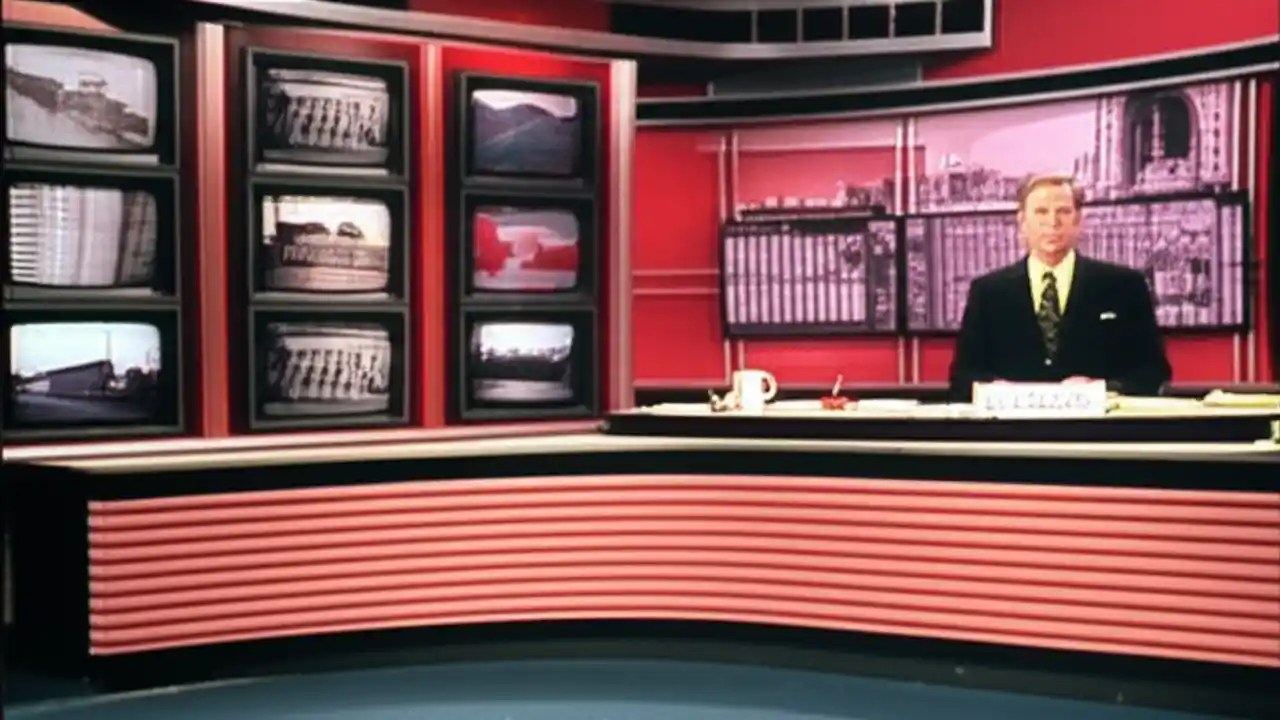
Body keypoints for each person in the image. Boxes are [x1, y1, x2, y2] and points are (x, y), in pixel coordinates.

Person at [948, 173, 1172, 401]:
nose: (1053, 222)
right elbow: (963, 377)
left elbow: (1152, 373)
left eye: (1063, 212)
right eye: (1041, 212)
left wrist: (1100, 389)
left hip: (1098, 431)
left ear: (1078, 221)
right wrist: (998, 391)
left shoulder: (1125, 286)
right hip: (1013, 432)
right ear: (1022, 222)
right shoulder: (988, 292)